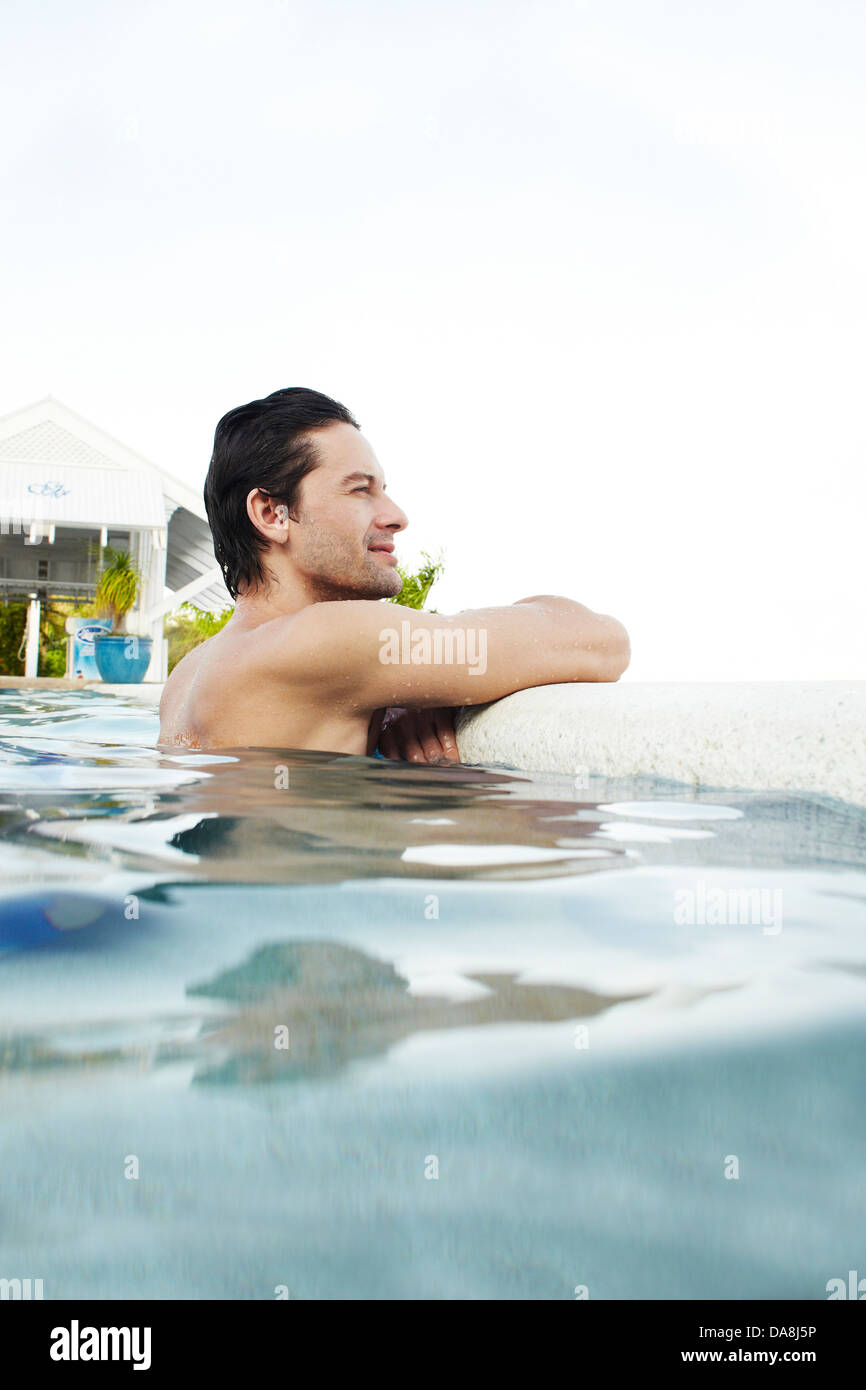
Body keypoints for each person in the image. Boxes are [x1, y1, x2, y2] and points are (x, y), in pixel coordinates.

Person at [158, 387, 630, 760]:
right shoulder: (324, 639)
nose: (397, 516)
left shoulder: (190, 672)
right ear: (271, 513)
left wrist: (413, 685)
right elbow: (603, 642)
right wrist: (430, 674)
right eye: (360, 490)